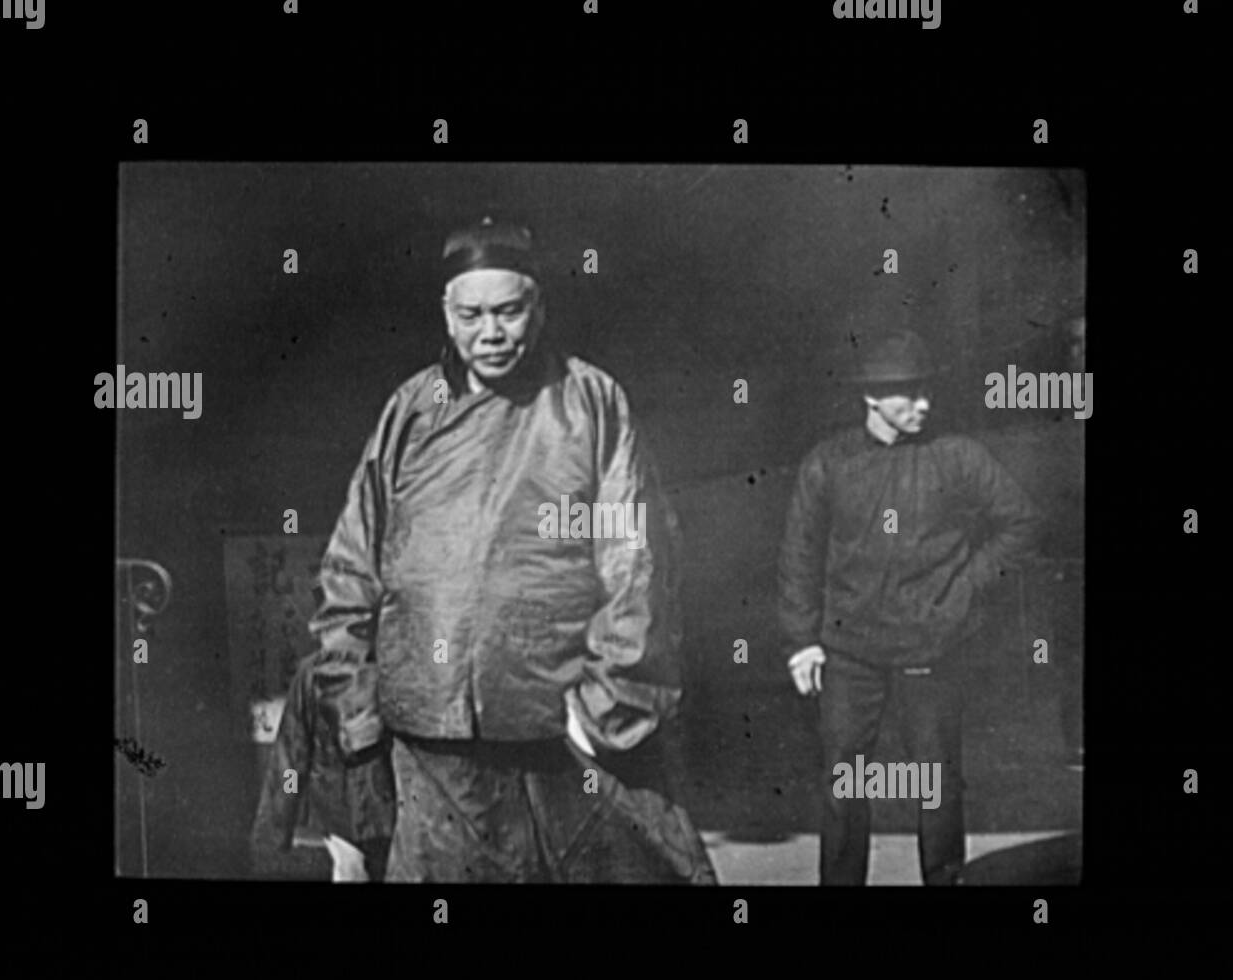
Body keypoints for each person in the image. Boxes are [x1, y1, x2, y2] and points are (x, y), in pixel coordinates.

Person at [270, 216, 715, 884]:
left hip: (563, 730)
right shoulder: (412, 410)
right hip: (430, 736)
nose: (491, 332)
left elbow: (636, 561)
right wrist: (359, 704)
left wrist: (605, 706)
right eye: (471, 314)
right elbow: (349, 567)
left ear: (538, 308)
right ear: (446, 316)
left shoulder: (591, 402)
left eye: (508, 311)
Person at [777, 330, 1041, 885]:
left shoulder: (957, 457)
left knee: (936, 780)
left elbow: (1020, 522)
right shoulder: (828, 464)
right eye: (907, 395)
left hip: (931, 646)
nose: (923, 405)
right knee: (845, 783)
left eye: (926, 392)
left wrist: (964, 589)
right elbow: (800, 554)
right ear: (870, 397)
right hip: (850, 653)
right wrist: (801, 640)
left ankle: (944, 879)